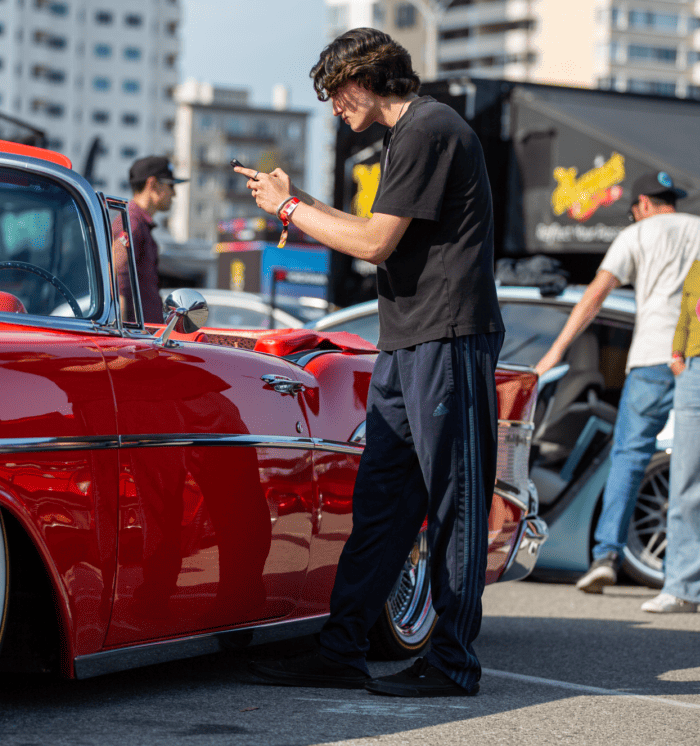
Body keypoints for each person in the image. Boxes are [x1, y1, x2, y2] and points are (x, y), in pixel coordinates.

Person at [235, 27, 504, 698]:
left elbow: (374, 244)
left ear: (359, 80)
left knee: (453, 504)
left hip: (445, 337)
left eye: (333, 94)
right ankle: (342, 647)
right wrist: (296, 201)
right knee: (381, 505)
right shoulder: (413, 133)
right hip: (410, 341)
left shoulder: (427, 128)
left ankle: (452, 663)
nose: (333, 108)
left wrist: (291, 209)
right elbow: (371, 231)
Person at [535, 172, 700, 595]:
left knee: (628, 457)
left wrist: (555, 352)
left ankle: (606, 554)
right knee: (688, 467)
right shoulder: (698, 229)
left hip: (649, 359)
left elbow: (595, 296)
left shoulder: (636, 235)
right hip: (693, 358)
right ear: (670, 201)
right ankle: (683, 581)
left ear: (642, 204)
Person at [642, 259, 700, 613]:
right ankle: (682, 588)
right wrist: (677, 356)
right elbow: (686, 313)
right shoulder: (696, 263)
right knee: (684, 482)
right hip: (693, 371)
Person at [113, 156, 185, 325]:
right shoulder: (132, 224)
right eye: (171, 185)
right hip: (135, 341)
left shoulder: (137, 224)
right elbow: (118, 287)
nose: (174, 194)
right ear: (152, 184)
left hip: (142, 338)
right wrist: (121, 345)